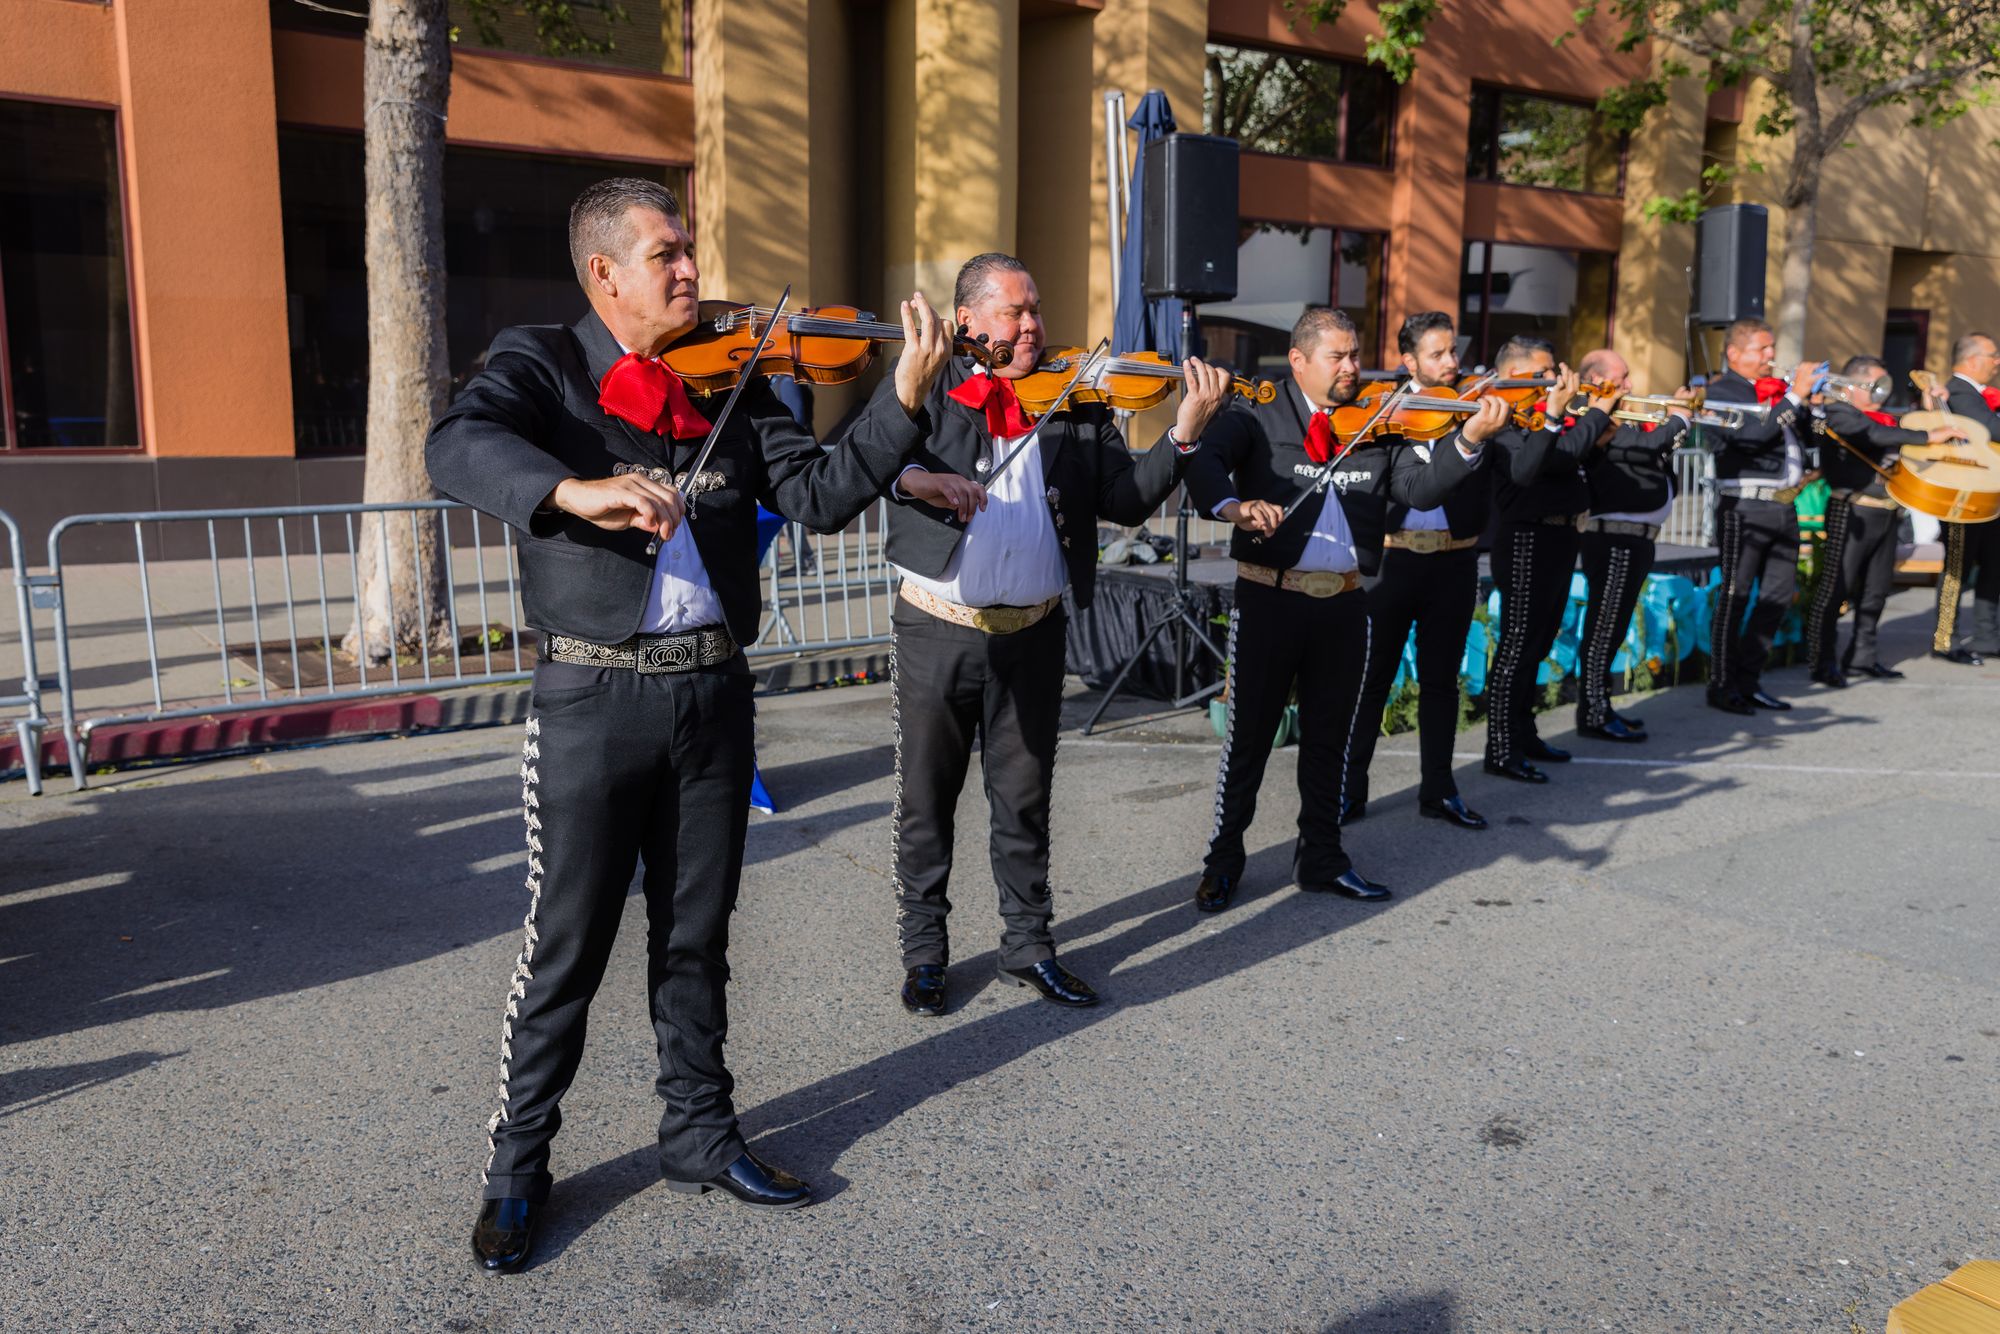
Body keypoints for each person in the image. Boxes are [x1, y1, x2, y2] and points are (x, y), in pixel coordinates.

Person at [426, 177, 955, 1272]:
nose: (689, 273)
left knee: (695, 936)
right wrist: (572, 492)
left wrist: (900, 396)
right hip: (592, 697)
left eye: (690, 251)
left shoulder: (738, 373)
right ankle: (517, 1170)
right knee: (565, 947)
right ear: (603, 272)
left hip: (712, 693)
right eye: (664, 254)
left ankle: (699, 1134)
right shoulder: (542, 361)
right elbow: (457, 443)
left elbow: (816, 493)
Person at [869, 251, 1232, 1018]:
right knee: (927, 799)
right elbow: (873, 467)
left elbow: (1126, 500)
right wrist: (914, 479)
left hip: (1035, 628)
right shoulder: (924, 383)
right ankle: (925, 953)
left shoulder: (1072, 397)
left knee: (1025, 798)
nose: (1033, 324)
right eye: (1014, 311)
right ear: (967, 320)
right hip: (939, 628)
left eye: (1036, 310)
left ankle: (1028, 948)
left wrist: (1185, 434)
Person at [1185, 306, 1504, 913]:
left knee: (1330, 740)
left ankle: (1323, 858)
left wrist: (1466, 442)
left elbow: (1417, 488)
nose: (1355, 367)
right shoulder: (1257, 409)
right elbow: (1204, 460)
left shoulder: (1382, 421)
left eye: (1356, 353)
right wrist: (1232, 508)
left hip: (1345, 604)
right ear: (1300, 360)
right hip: (1270, 597)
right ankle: (1224, 860)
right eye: (1340, 356)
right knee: (1248, 741)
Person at [1343, 311, 1496, 830]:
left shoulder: (1477, 407)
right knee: (1372, 678)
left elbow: (1516, 473)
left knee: (1441, 683)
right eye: (1438, 354)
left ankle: (1439, 790)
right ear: (1409, 361)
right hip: (1393, 560)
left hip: (1454, 560)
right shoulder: (1382, 408)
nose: (1452, 362)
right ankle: (1349, 788)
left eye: (1453, 351)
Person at [1481, 338, 1615, 781]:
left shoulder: (1544, 416)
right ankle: (1500, 747)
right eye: (1542, 374)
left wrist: (1594, 428)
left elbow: (1569, 460)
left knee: (1537, 646)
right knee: (1517, 645)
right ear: (1514, 375)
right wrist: (1590, 416)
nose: (1553, 381)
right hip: (1525, 539)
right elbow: (1534, 464)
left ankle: (1524, 732)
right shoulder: (1502, 416)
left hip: (1560, 537)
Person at [1809, 356, 1962, 683]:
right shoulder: (1838, 412)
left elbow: (1896, 428)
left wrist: (1929, 407)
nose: (1879, 394)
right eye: (1874, 386)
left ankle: (1862, 657)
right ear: (1853, 385)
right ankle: (1822, 662)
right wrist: (1925, 437)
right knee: (1837, 589)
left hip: (1887, 510)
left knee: (1876, 591)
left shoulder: (1882, 417)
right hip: (1851, 509)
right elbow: (1871, 433)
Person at [1702, 319, 1817, 714]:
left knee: (1778, 597)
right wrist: (1795, 398)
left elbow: (1805, 440)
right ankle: (1721, 684)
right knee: (1735, 597)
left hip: (1784, 505)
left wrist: (1808, 408)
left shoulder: (1776, 392)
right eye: (1761, 349)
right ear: (1734, 353)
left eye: (1771, 349)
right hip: (1744, 507)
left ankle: (1749, 680)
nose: (1771, 356)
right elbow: (1749, 437)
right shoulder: (1721, 391)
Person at [1572, 348, 1687, 739]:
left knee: (1614, 628)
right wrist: (1679, 420)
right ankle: (1593, 713)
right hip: (1613, 538)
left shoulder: (1626, 421)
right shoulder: (1597, 423)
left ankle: (1600, 706)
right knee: (1604, 627)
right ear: (1596, 382)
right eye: (1620, 379)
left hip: (1636, 539)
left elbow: (1653, 457)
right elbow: (1645, 449)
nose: (1630, 386)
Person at [1932, 333, 2000, 665]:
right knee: (1958, 568)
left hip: (1988, 495)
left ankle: (1988, 636)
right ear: (1972, 360)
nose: (1997, 362)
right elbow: (1990, 430)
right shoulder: (1960, 392)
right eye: (1993, 355)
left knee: (1993, 566)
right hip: (1963, 499)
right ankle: (1946, 638)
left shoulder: (1977, 394)